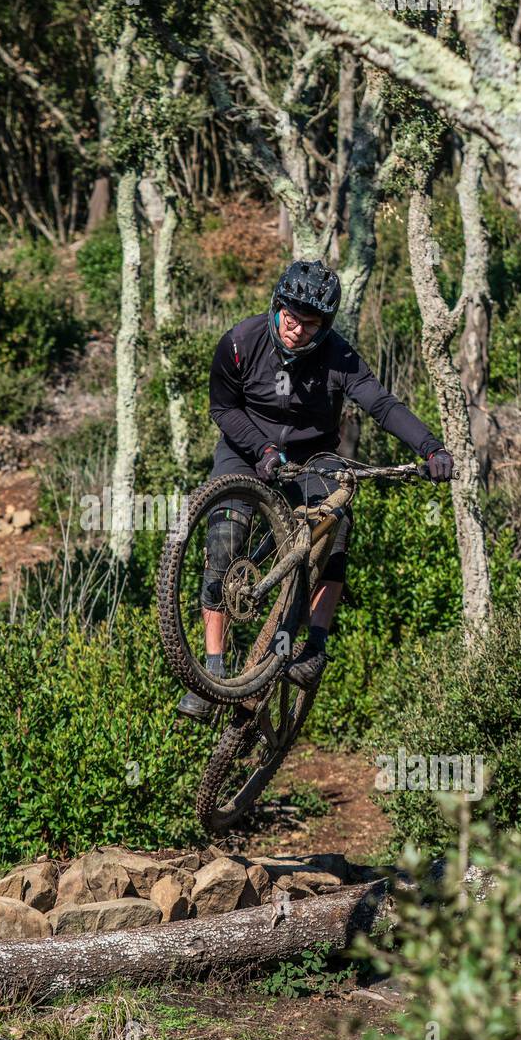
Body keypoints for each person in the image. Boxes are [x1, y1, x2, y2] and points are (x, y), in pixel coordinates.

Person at [178, 258, 453, 720]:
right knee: (223, 545)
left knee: (336, 527)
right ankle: (211, 674)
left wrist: (430, 448)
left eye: (310, 324)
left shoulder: (338, 357)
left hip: (313, 458)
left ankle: (314, 648)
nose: (297, 330)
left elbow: (381, 405)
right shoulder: (240, 343)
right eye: (291, 317)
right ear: (277, 304)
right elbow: (223, 410)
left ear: (325, 326)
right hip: (245, 448)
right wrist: (262, 449)